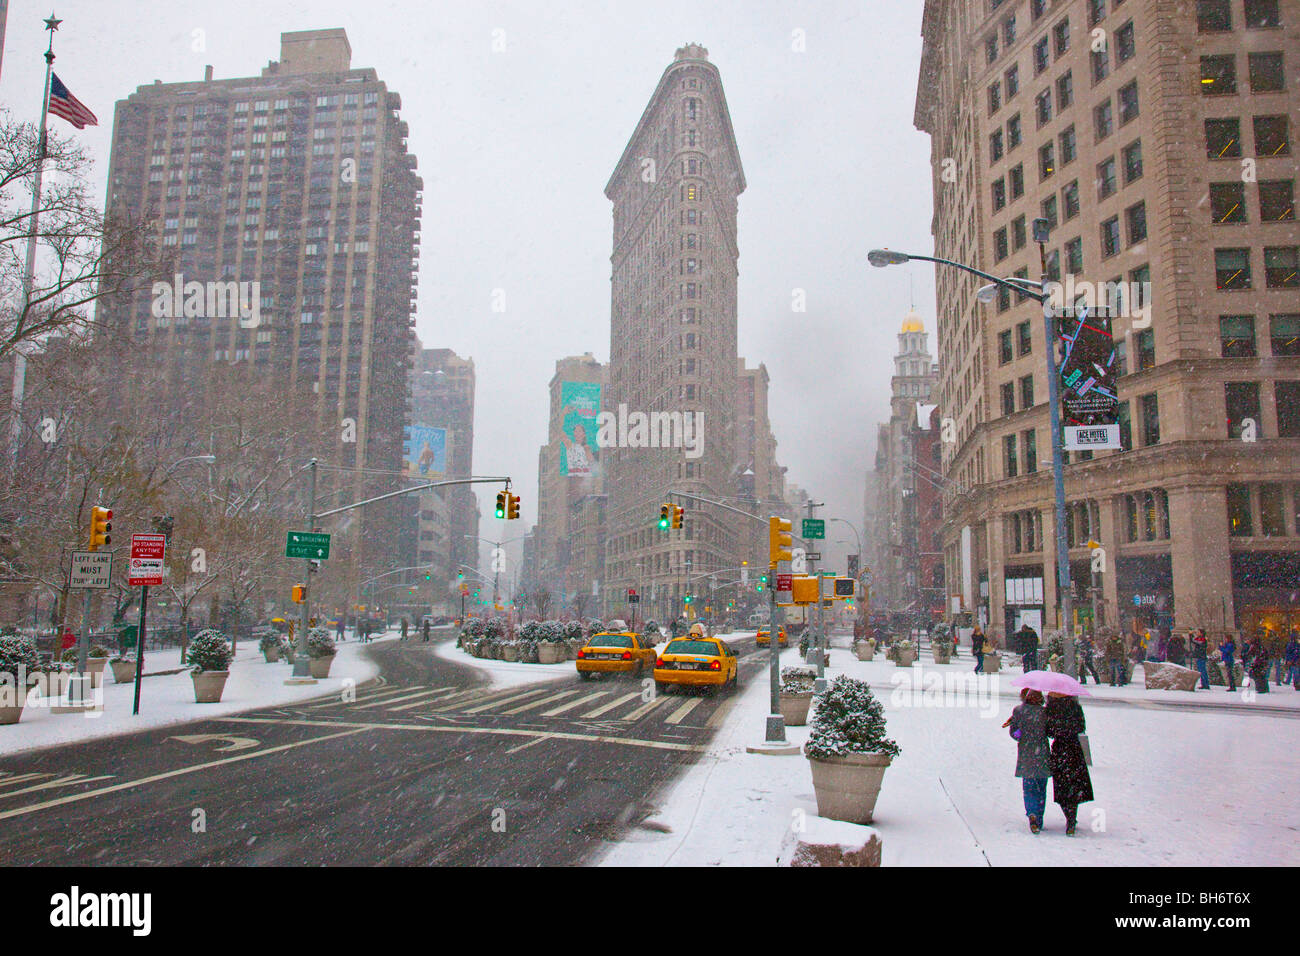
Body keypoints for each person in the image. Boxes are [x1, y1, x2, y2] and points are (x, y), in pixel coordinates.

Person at [1045, 692, 1094, 836]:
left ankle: (1068, 814)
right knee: (1074, 782)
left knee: (1061, 785)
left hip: (1060, 748)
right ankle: (1072, 817)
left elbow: (1049, 732)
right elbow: (1081, 727)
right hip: (1074, 748)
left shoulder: (1051, 709)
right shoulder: (1075, 708)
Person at [1004, 688, 1051, 833]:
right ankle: (1039, 817)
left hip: (1026, 752)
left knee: (1029, 786)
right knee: (1041, 786)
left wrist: (1022, 735)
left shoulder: (1019, 711)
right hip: (1042, 751)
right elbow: (1050, 732)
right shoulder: (1045, 712)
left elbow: (1014, 732)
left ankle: (1031, 813)